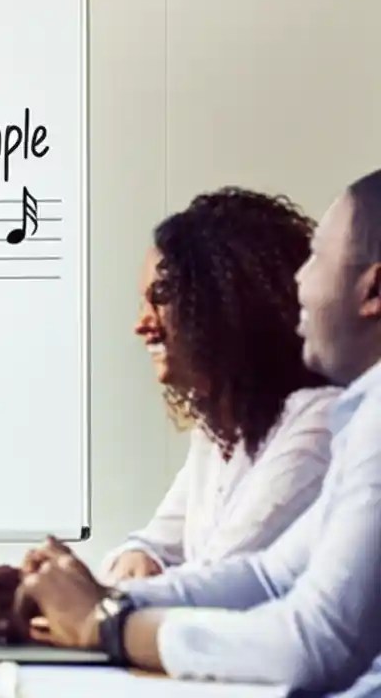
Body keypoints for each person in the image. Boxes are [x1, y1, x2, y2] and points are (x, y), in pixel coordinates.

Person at [0, 169, 381, 695]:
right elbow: (269, 576)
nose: (299, 284)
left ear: (374, 288)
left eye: (316, 259)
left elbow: (313, 642)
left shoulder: (331, 421)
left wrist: (105, 622)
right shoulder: (357, 414)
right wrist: (75, 595)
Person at [102, 189, 339, 582]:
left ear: (225, 304)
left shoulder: (318, 424)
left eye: (159, 297)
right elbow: (152, 545)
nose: (142, 324)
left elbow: (218, 581)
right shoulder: (216, 434)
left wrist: (80, 597)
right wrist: (134, 560)